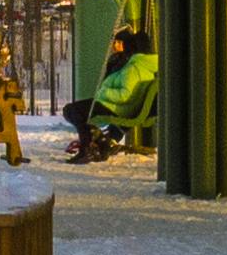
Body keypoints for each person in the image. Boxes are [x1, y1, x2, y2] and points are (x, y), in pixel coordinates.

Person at [61, 27, 156, 164]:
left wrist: (104, 92)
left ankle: (88, 147)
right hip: (122, 106)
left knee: (73, 110)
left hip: (118, 107)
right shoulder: (142, 65)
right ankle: (96, 142)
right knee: (73, 110)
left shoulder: (134, 67)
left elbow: (125, 95)